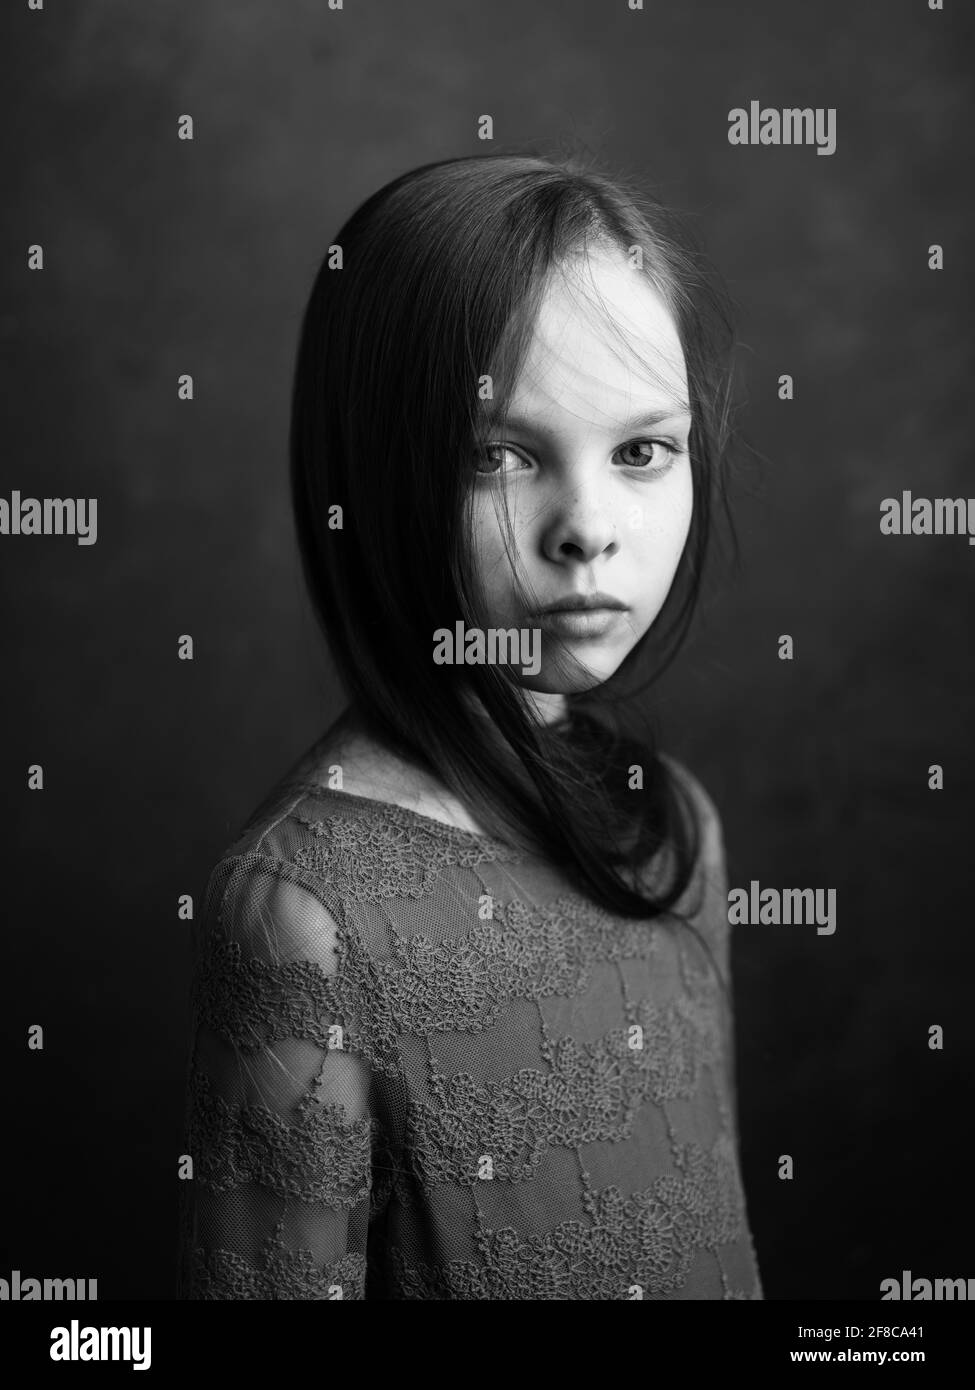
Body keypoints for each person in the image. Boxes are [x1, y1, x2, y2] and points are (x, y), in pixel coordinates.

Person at [176, 150, 763, 1300]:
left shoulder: (673, 831)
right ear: (382, 475)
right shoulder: (308, 920)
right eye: (501, 455)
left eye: (643, 450)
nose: (588, 528)